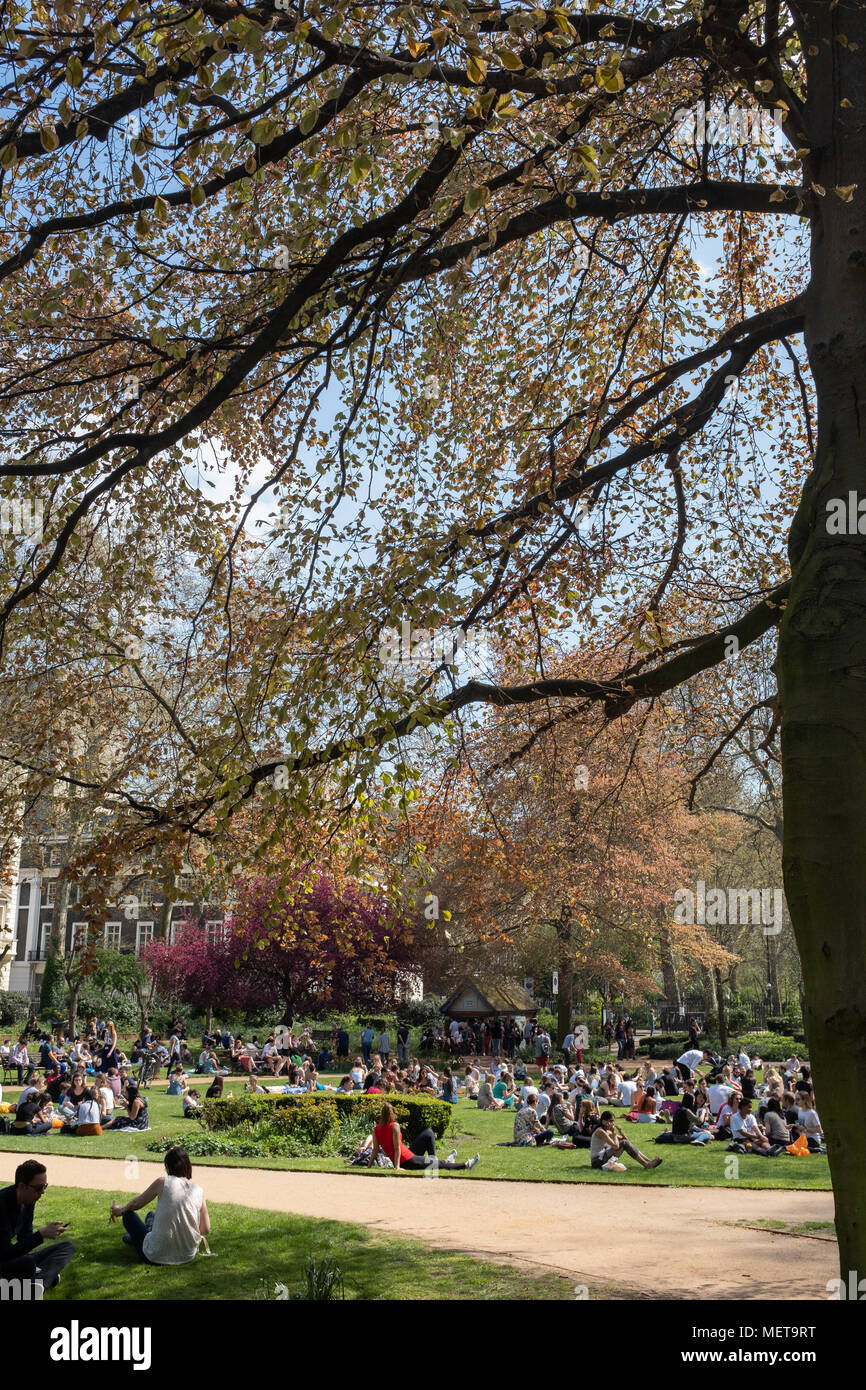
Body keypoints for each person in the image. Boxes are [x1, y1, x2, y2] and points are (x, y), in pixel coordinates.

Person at [111, 1145, 210, 1263]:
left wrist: (120, 1210)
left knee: (128, 1215)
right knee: (151, 1215)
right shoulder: (199, 1190)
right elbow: (205, 1229)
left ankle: (134, 1239)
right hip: (187, 1255)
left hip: (155, 1255)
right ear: (188, 1166)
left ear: (167, 1167)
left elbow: (136, 1203)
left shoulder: (163, 1182)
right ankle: (135, 1238)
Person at [0, 1160, 75, 1291]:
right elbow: (5, 1253)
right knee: (27, 1263)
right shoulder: (2, 1205)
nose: (42, 1192)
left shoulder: (28, 1200)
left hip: (10, 1257)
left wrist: (37, 1238)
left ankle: (37, 1282)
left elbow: (25, 1237)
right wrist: (41, 1235)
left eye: (45, 1186)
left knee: (66, 1247)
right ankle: (42, 1281)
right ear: (22, 1186)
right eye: (39, 1188)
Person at [370, 1103, 479, 1172]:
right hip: (408, 1160)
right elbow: (397, 1148)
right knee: (437, 1164)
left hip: (408, 1155)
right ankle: (467, 1165)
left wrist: (369, 1166)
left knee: (428, 1133)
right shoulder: (395, 1126)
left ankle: (448, 1160)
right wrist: (397, 1167)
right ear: (392, 1114)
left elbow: (375, 1150)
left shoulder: (376, 1129)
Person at [590, 1112, 663, 1171]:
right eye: (611, 1121)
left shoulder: (606, 1131)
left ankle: (649, 1161)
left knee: (625, 1142)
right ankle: (647, 1164)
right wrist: (614, 1133)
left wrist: (620, 1131)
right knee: (624, 1143)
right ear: (603, 1121)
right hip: (597, 1162)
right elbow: (616, 1147)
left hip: (602, 1158)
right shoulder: (600, 1132)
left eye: (613, 1121)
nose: (613, 1124)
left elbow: (625, 1140)